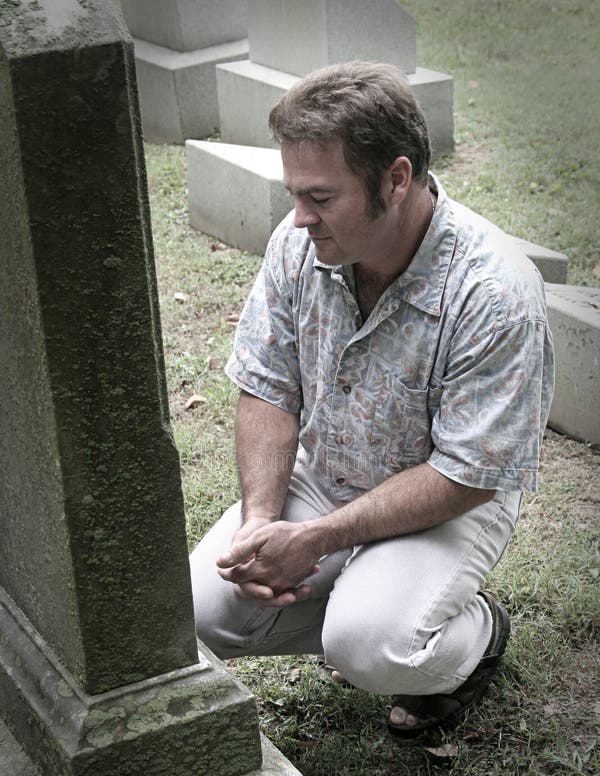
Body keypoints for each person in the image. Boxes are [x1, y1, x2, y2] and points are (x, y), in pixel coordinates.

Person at [191, 61, 554, 737]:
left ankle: (472, 635)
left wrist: (320, 540)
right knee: (200, 611)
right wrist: (263, 525)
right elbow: (267, 385)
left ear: (397, 178)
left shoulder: (495, 293)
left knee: (369, 645)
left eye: (321, 198)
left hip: (446, 502)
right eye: (295, 193)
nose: (299, 218)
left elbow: (466, 474)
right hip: (325, 473)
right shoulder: (301, 247)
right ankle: (361, 605)